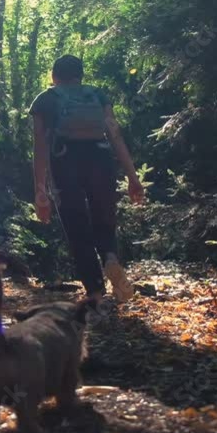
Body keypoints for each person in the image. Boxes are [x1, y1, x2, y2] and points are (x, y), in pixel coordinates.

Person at [30, 54, 144, 301]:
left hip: (65, 161)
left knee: (76, 227)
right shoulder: (97, 95)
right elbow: (115, 135)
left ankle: (95, 290)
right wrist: (133, 178)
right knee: (104, 221)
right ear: (80, 76)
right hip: (101, 159)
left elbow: (40, 147)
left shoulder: (45, 100)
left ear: (54, 76)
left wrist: (41, 192)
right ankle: (110, 257)